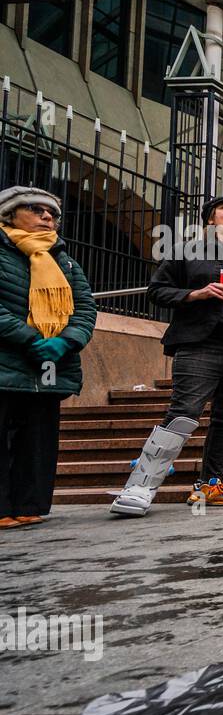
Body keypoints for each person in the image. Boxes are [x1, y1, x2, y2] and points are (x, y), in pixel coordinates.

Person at [110, 196, 223, 516]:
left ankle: (210, 483)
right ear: (209, 221)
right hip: (200, 345)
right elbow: (157, 291)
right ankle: (141, 484)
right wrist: (196, 293)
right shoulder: (186, 253)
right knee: (184, 411)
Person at [0, 186, 96, 528]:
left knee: (38, 435)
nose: (47, 217)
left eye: (52, 213)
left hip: (51, 362)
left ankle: (30, 504)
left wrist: (67, 341)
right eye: (36, 209)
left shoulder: (64, 259)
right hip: (8, 358)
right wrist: (29, 338)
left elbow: (85, 307)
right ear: (9, 214)